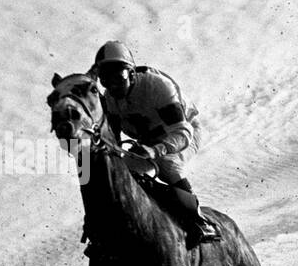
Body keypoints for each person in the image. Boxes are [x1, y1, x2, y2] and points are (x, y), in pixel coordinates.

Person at [91, 40, 221, 247]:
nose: (113, 87)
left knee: (167, 166)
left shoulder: (157, 86)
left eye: (118, 78)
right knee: (123, 177)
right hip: (147, 142)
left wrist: (155, 150)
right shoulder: (111, 100)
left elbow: (182, 132)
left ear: (131, 74)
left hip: (182, 133)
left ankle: (199, 222)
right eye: (106, 81)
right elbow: (113, 142)